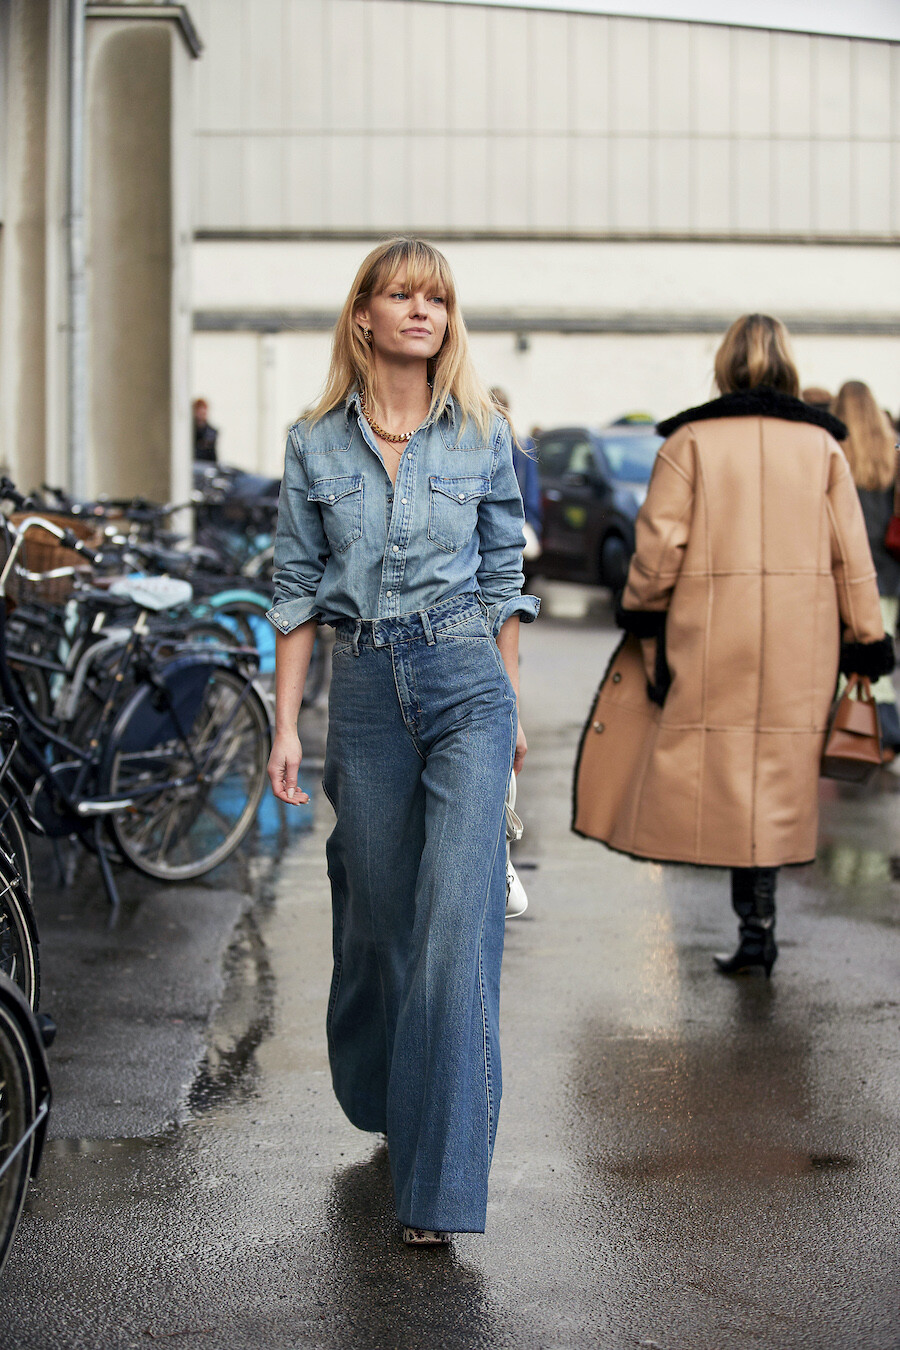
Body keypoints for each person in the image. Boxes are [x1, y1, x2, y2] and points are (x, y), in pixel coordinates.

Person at [265, 238, 539, 1245]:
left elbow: (505, 581)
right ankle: (390, 1092)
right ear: (364, 316)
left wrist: (511, 706)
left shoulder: (484, 431)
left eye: (437, 298)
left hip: (466, 682)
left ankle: (437, 1193)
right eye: (402, 294)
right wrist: (286, 725)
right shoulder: (313, 443)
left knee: (455, 932)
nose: (422, 311)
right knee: (379, 929)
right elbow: (296, 587)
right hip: (367, 687)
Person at [574, 314, 893, 978]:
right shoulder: (823, 448)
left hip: (709, 639)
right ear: (788, 365)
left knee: (723, 779)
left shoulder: (689, 442)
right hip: (802, 645)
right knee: (777, 777)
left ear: (724, 365)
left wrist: (644, 615)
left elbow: (657, 551)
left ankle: (751, 929)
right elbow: (852, 559)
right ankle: (760, 926)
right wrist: (866, 639)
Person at [830, 380, 900, 761]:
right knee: (880, 651)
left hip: (849, 566)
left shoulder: (835, 449)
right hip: (888, 568)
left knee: (848, 653)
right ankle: (879, 735)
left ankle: (878, 734)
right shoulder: (893, 450)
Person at [489, 387, 542, 559]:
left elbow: (531, 490)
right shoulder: (522, 446)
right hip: (510, 523)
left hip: (502, 525)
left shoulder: (521, 446)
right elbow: (531, 491)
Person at [193, 398, 218, 462]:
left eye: (203, 413)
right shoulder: (190, 431)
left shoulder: (211, 432)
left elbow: (212, 455)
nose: (201, 415)